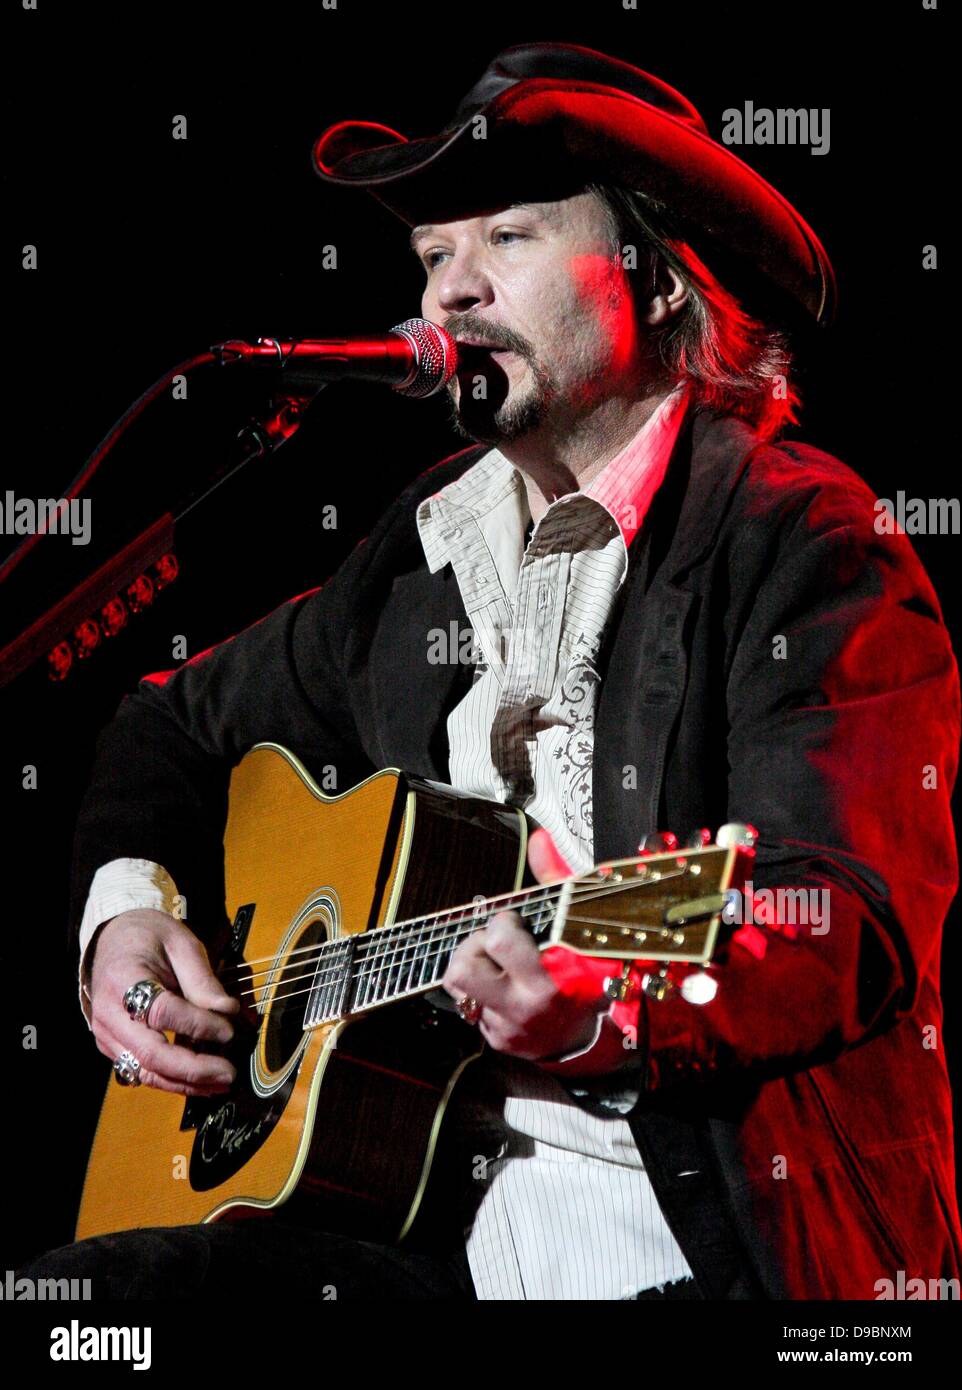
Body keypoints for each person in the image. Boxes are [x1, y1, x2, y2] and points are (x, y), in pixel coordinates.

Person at [21, 42, 962, 1300]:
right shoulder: (425, 550)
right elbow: (168, 724)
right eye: (428, 258)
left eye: (504, 239)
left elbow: (836, 913)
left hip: (700, 1238)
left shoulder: (802, 543)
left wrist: (602, 1013)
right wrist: (126, 916)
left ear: (662, 281)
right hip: (413, 1227)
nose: (446, 296)